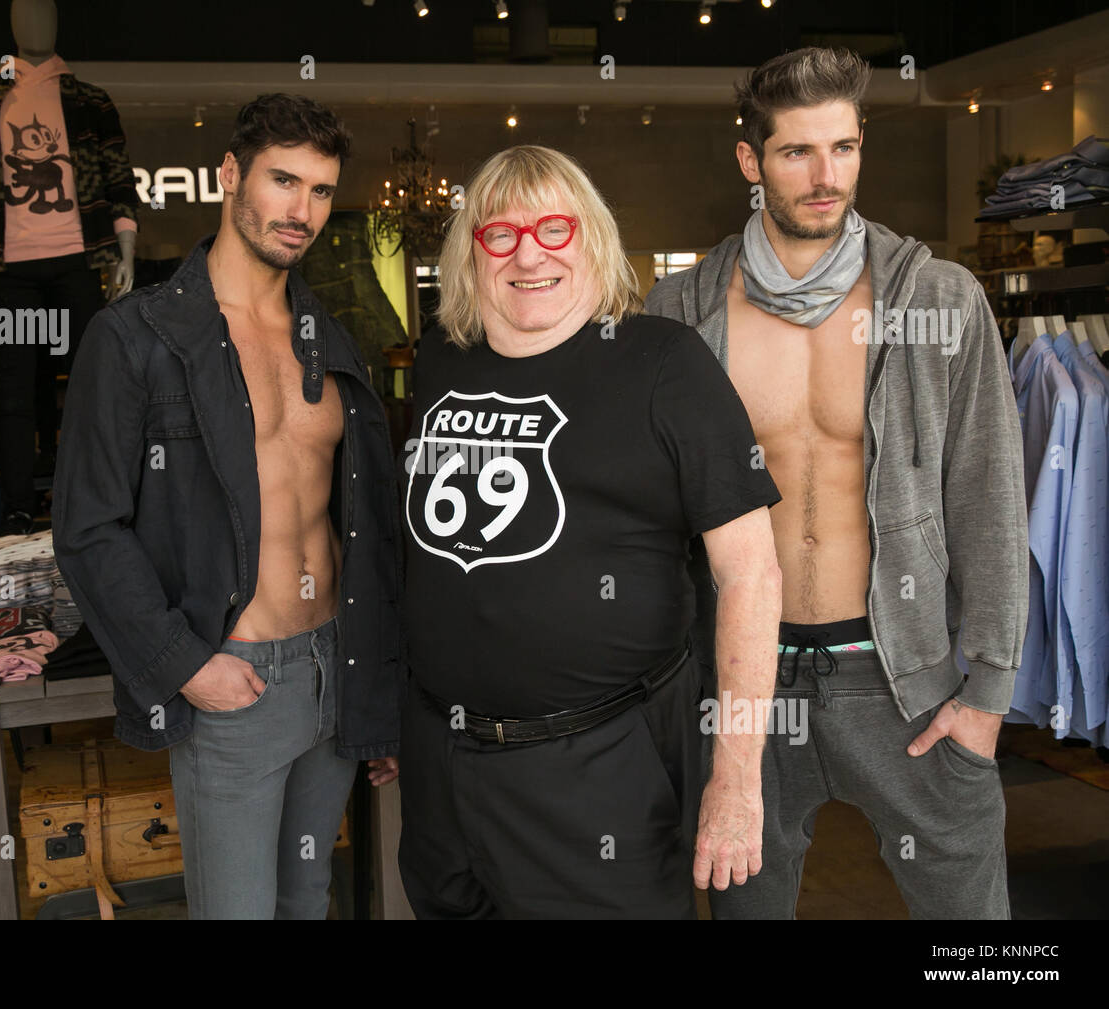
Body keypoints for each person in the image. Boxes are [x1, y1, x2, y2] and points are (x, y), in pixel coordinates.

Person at [645, 46, 1028, 919]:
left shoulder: (940, 299)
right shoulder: (679, 315)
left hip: (905, 683)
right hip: (744, 690)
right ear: (750, 161)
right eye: (797, 153)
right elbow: (647, 524)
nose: (827, 178)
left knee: (979, 943)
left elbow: (990, 499)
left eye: (844, 149)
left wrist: (989, 696)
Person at [397, 144, 783, 918]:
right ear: (471, 254)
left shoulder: (664, 363)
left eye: (553, 229)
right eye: (499, 234)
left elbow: (750, 573)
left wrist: (737, 776)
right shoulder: (440, 360)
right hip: (441, 766)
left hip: (600, 775)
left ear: (592, 240)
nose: (527, 254)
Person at [53, 93, 404, 919]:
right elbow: (89, 527)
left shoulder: (331, 334)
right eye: (283, 180)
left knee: (306, 897)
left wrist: (380, 681)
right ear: (228, 176)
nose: (301, 210)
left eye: (321, 191)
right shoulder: (135, 336)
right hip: (238, 678)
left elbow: (370, 522)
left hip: (335, 666)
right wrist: (182, 662)